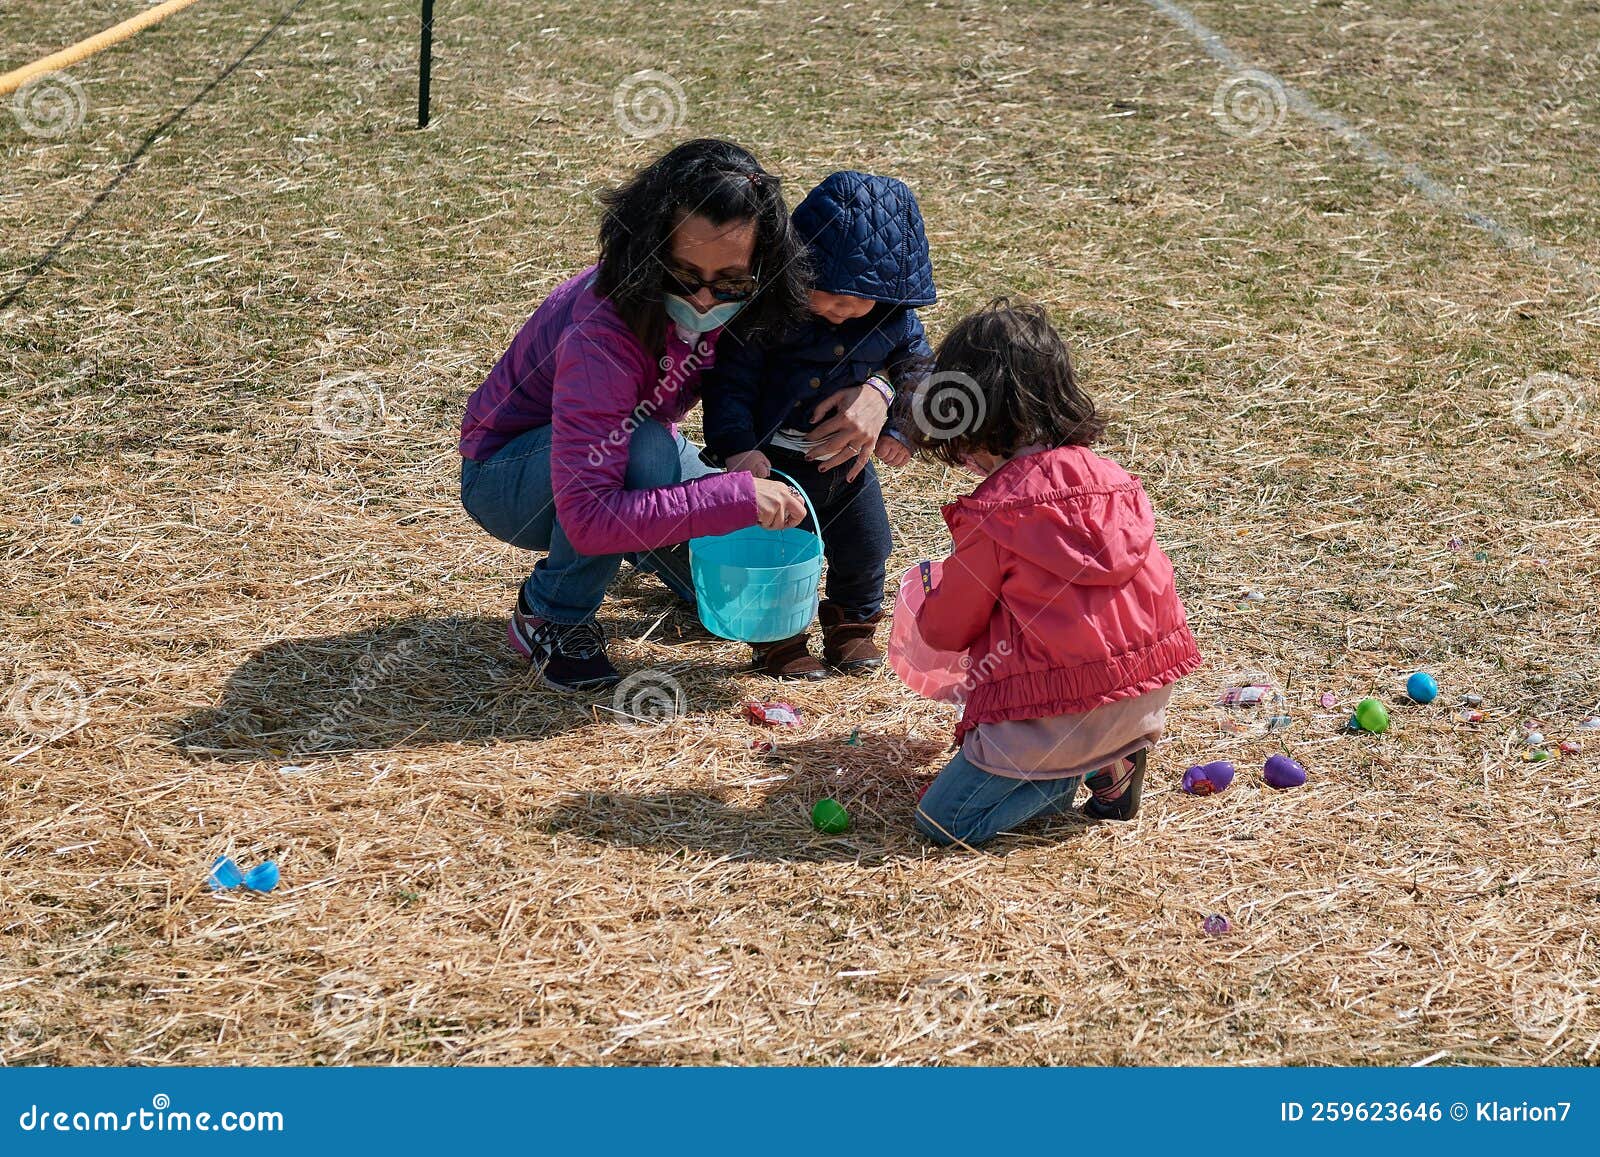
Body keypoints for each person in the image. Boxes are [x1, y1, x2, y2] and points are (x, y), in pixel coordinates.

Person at [458, 139, 818, 691]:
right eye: (683, 275)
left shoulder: (752, 303)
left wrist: (881, 389)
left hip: (634, 446)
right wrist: (735, 496)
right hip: (509, 478)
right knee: (648, 456)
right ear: (647, 251)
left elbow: (867, 313)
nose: (703, 300)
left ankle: (661, 551)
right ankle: (553, 615)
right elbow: (588, 515)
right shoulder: (601, 331)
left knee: (730, 555)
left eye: (730, 281)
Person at [906, 301, 1202, 846]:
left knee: (940, 823)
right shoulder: (1116, 481)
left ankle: (1066, 779)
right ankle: (1110, 763)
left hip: (1056, 715)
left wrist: (925, 602)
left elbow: (946, 630)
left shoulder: (1000, 514)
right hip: (1143, 697)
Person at [700, 171, 935, 679]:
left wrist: (901, 428)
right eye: (820, 291)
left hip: (847, 463)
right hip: (778, 460)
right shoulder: (770, 314)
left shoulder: (894, 322)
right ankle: (779, 640)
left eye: (854, 299)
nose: (834, 307)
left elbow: (919, 371)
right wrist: (737, 448)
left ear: (892, 289)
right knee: (782, 550)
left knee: (869, 544)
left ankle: (851, 627)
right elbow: (730, 383)